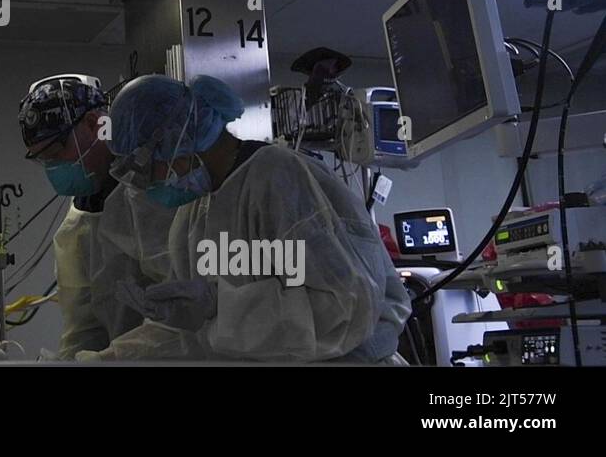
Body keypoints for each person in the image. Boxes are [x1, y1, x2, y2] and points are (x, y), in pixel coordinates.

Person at [77, 74, 411, 363]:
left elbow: (343, 311)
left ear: (175, 141)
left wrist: (219, 306)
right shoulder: (194, 213)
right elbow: (195, 335)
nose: (148, 184)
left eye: (147, 168)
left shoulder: (279, 178)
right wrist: (110, 359)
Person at [17, 74, 177, 359]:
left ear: (95, 125)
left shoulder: (153, 197)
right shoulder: (77, 222)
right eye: (43, 159)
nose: (53, 168)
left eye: (55, 152)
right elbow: (82, 327)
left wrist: (118, 356)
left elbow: (182, 311)